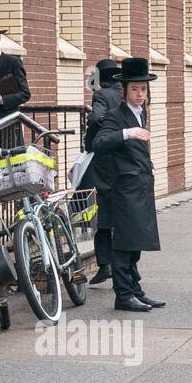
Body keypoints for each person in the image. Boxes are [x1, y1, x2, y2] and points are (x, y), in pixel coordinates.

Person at [88, 57, 165, 313]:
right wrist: (126, 133)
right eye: (135, 89)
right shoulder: (116, 115)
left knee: (137, 242)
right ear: (124, 90)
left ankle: (135, 291)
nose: (140, 94)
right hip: (123, 189)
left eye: (143, 89)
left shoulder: (141, 112)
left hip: (141, 184)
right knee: (122, 244)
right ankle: (123, 294)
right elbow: (99, 143)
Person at [84, 58, 122, 286]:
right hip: (127, 162)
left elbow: (98, 117)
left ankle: (105, 264)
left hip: (106, 163)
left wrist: (94, 121)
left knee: (103, 213)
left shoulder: (102, 95)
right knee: (122, 215)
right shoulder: (126, 95)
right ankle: (123, 266)